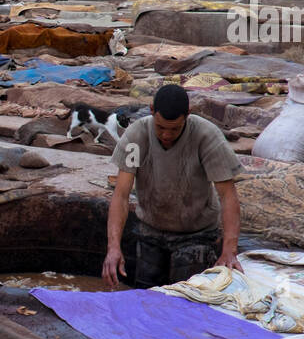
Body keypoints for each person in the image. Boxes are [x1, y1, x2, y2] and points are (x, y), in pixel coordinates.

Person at [101, 84, 243, 289]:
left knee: (187, 296)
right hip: (151, 229)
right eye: (160, 128)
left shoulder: (207, 135)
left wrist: (229, 250)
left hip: (196, 233)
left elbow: (227, 196)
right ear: (151, 111)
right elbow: (121, 195)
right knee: (145, 293)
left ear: (188, 115)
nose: (166, 135)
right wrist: (113, 247)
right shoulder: (136, 135)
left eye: (174, 129)